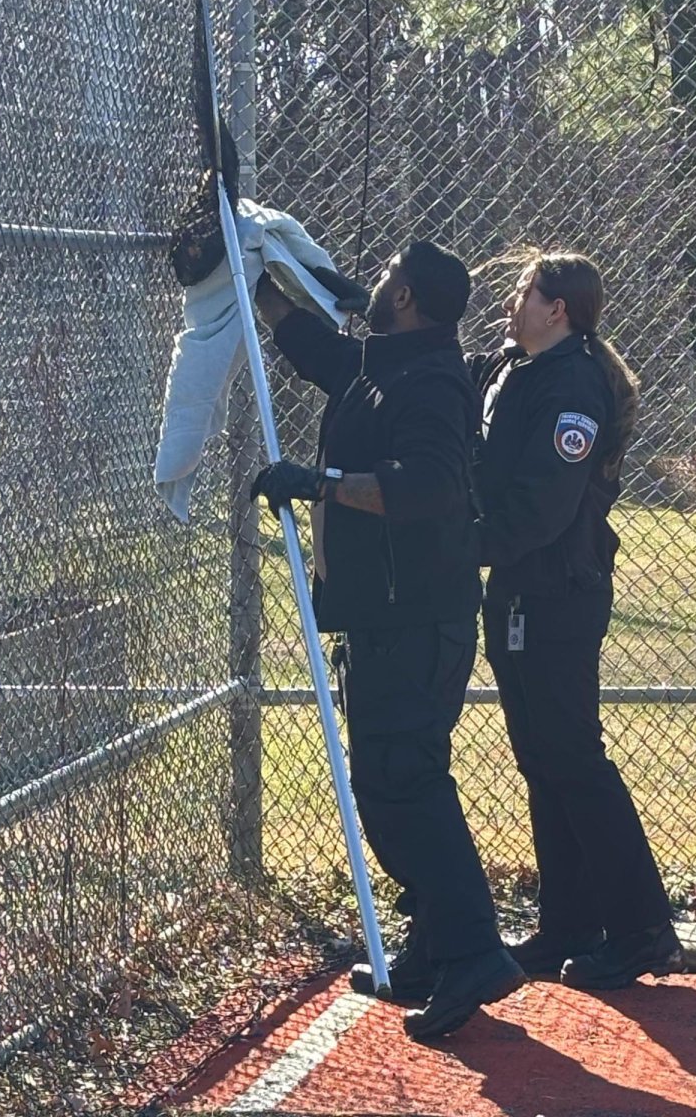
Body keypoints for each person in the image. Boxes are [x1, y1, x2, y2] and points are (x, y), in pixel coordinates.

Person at [250, 241, 525, 1039]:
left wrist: (322, 483)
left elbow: (432, 486)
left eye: (383, 278)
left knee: (402, 782)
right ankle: (436, 944)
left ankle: (474, 949)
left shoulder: (431, 380)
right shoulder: (381, 364)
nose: (370, 284)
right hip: (384, 619)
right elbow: (310, 347)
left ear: (404, 296)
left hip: (415, 621)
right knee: (388, 779)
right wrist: (253, 273)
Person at [469, 250, 683, 989]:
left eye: (524, 292)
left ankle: (642, 930)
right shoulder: (515, 370)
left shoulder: (574, 386)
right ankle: (568, 922)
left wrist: (461, 546)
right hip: (520, 592)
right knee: (542, 758)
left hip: (557, 594)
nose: (512, 303)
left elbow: (544, 506)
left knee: (574, 759)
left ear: (556, 307)